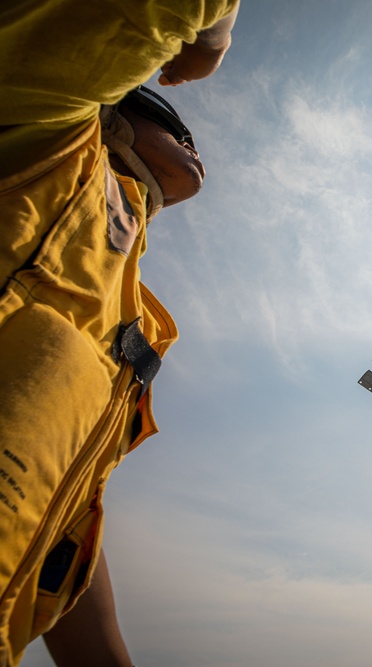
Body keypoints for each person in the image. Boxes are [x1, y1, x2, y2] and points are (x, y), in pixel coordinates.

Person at [0, 2, 240, 664]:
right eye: (175, 126)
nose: (193, 149)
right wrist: (217, 23)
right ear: (110, 109)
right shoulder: (46, 131)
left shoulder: (129, 308)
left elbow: (62, 528)